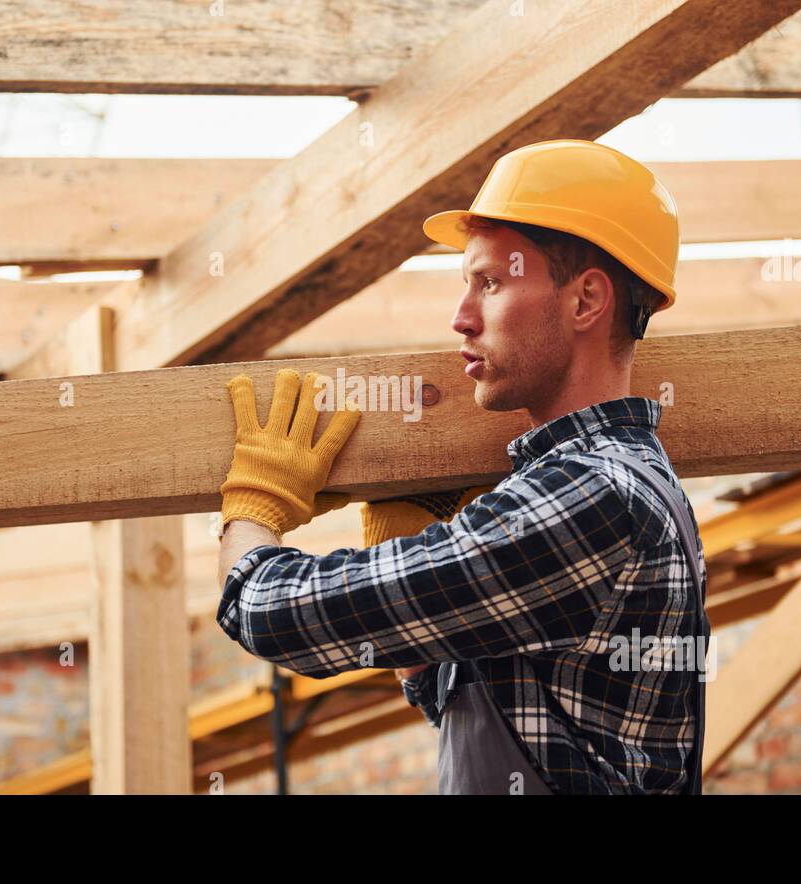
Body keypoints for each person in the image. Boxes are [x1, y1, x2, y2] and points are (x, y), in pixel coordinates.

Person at [215, 140, 708, 794]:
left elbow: (270, 615)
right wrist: (409, 549)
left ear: (587, 300)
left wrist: (253, 507)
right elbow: (484, 708)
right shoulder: (601, 483)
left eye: (492, 282)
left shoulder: (593, 493)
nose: (461, 317)